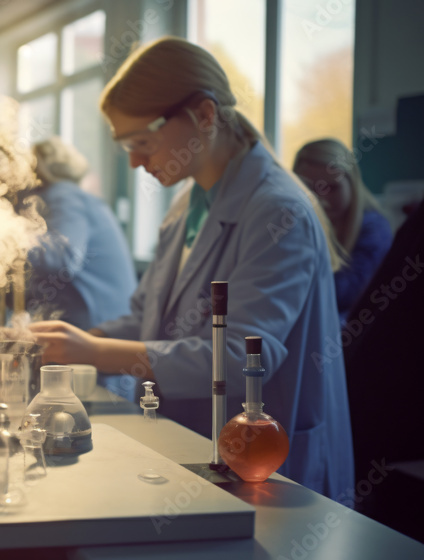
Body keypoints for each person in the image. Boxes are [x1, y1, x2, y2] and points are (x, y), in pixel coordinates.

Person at [29, 37, 354, 501]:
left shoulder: (277, 212)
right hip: (197, 447)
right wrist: (71, 342)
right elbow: (147, 320)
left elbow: (242, 358)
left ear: (203, 115)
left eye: (142, 141)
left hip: (269, 467)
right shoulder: (187, 205)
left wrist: (96, 351)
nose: (135, 161)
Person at [24, 137, 137, 330]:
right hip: (113, 320)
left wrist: (9, 238)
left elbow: (63, 256)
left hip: (99, 326)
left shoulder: (63, 193)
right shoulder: (79, 197)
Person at [293, 139, 393, 323]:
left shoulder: (374, 229)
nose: (321, 199)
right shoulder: (295, 223)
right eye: (309, 189)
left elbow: (346, 295)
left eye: (332, 188)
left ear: (352, 184)